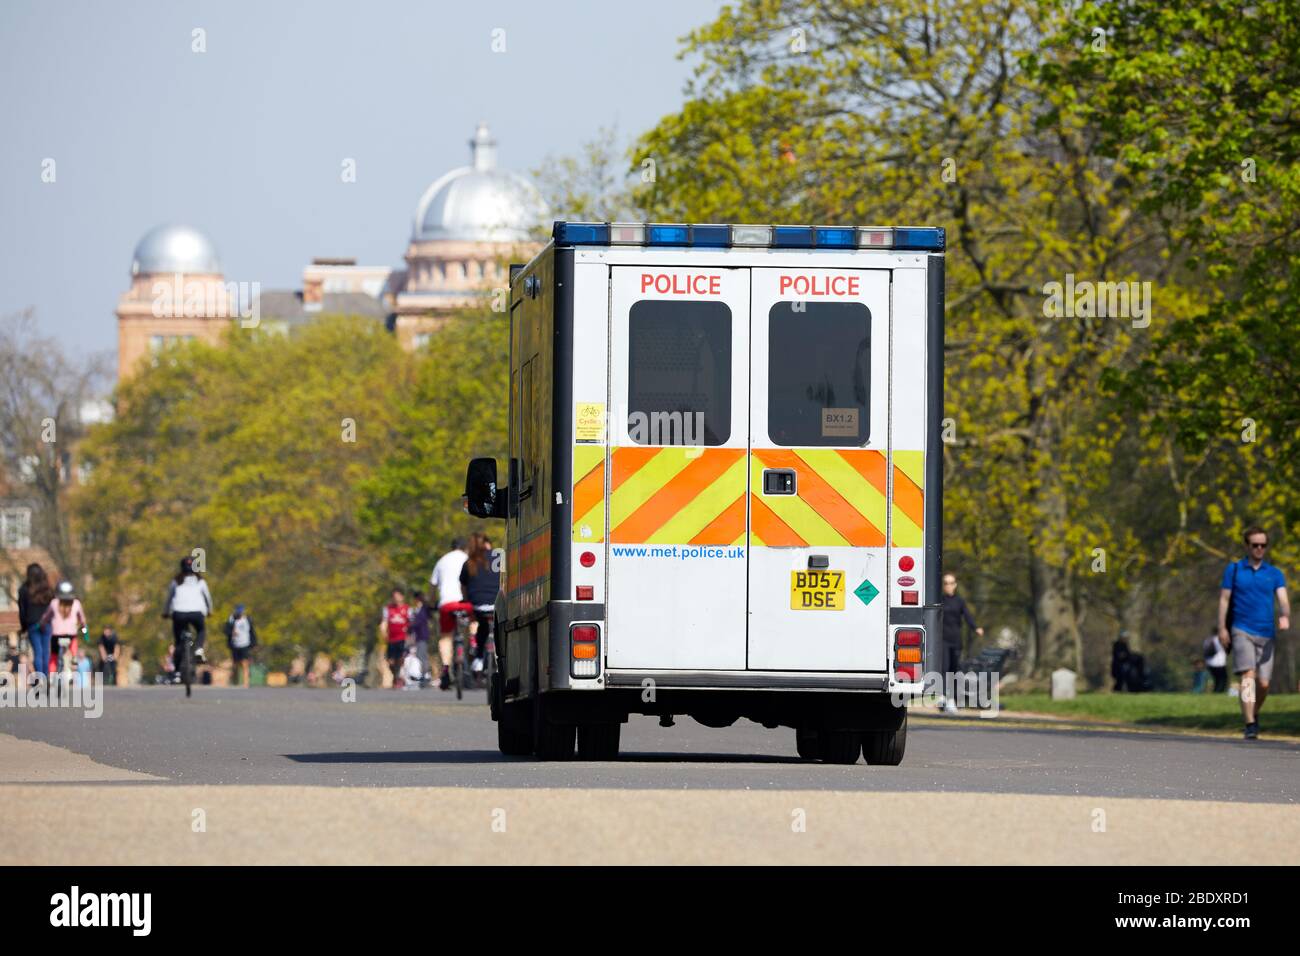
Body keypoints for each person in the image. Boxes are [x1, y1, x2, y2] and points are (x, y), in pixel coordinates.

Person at [1218, 526, 1290, 740]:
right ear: (1247, 546)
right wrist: (1222, 627)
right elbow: (1224, 599)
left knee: (1264, 683)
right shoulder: (1235, 570)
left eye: (1263, 545)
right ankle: (1249, 722)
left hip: (1267, 633)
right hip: (1241, 629)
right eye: (1255, 545)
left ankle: (1254, 711)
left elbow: (1283, 600)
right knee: (1248, 675)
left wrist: (1284, 615)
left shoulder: (1274, 574)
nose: (1259, 549)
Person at [430, 537, 474, 691]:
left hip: (446, 605)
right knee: (474, 621)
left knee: (446, 637)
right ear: (464, 548)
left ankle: (446, 668)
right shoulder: (468, 559)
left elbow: (432, 586)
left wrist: (432, 603)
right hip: (465, 603)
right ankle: (473, 641)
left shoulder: (441, 561)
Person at [938, 572, 983, 713]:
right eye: (946, 583)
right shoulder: (939, 600)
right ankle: (943, 696)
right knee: (944, 669)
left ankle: (952, 699)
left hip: (956, 640)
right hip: (943, 640)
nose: (948, 586)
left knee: (954, 670)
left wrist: (975, 628)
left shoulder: (960, 601)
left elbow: (967, 616)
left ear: (955, 585)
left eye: (951, 583)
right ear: (943, 586)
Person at [460, 532, 501, 678]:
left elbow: (464, 586)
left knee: (482, 627)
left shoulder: (468, 563)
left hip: (478, 606)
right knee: (500, 628)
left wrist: (467, 601)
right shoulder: (499, 557)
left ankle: (478, 658)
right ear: (487, 543)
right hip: (497, 604)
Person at [164, 556, 213, 664]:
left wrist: (166, 612)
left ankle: (177, 671)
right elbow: (207, 598)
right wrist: (209, 611)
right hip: (197, 613)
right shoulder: (200, 581)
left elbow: (169, 598)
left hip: (178, 613)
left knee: (178, 641)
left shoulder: (176, 581)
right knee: (201, 630)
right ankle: (199, 649)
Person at [40, 581, 86, 677]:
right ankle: (74, 657)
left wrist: (42, 624)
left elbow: (46, 617)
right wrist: (84, 628)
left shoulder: (54, 603)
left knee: (53, 656)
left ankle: (52, 675)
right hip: (70, 634)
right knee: (74, 640)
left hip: (56, 635)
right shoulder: (76, 603)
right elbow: (82, 619)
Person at [17, 563, 53, 677]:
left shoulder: (24, 589)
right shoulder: (47, 588)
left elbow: (22, 610)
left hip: (32, 624)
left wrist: (23, 627)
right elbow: (53, 607)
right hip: (46, 623)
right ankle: (45, 677)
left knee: (38, 652)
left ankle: (40, 680)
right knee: (45, 652)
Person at [222, 605, 258, 688]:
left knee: (245, 663)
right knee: (235, 664)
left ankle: (246, 683)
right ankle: (234, 681)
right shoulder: (231, 619)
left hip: (245, 644)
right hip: (235, 645)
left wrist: (254, 643)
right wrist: (231, 632)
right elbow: (225, 630)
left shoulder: (247, 620)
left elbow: (252, 632)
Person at [381, 589, 411, 689]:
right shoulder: (388, 609)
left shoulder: (407, 609)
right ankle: (395, 675)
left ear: (402, 597)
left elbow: (411, 623)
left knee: (400, 659)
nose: (396, 598)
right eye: (394, 596)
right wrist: (383, 631)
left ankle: (398, 677)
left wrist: (410, 634)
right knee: (390, 661)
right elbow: (384, 621)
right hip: (391, 639)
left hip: (403, 638)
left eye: (398, 596)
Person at [409, 591, 432, 688]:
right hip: (418, 636)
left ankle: (426, 675)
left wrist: (412, 624)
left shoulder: (424, 609)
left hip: (423, 635)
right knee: (419, 655)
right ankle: (423, 674)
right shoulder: (417, 609)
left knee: (422, 656)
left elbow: (420, 621)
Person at [1201, 627, 1228, 693]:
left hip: (1209, 662)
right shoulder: (1218, 639)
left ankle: (1216, 691)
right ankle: (1219, 691)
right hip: (1218, 663)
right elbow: (1223, 648)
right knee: (1222, 678)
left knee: (1216, 678)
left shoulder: (1208, 639)